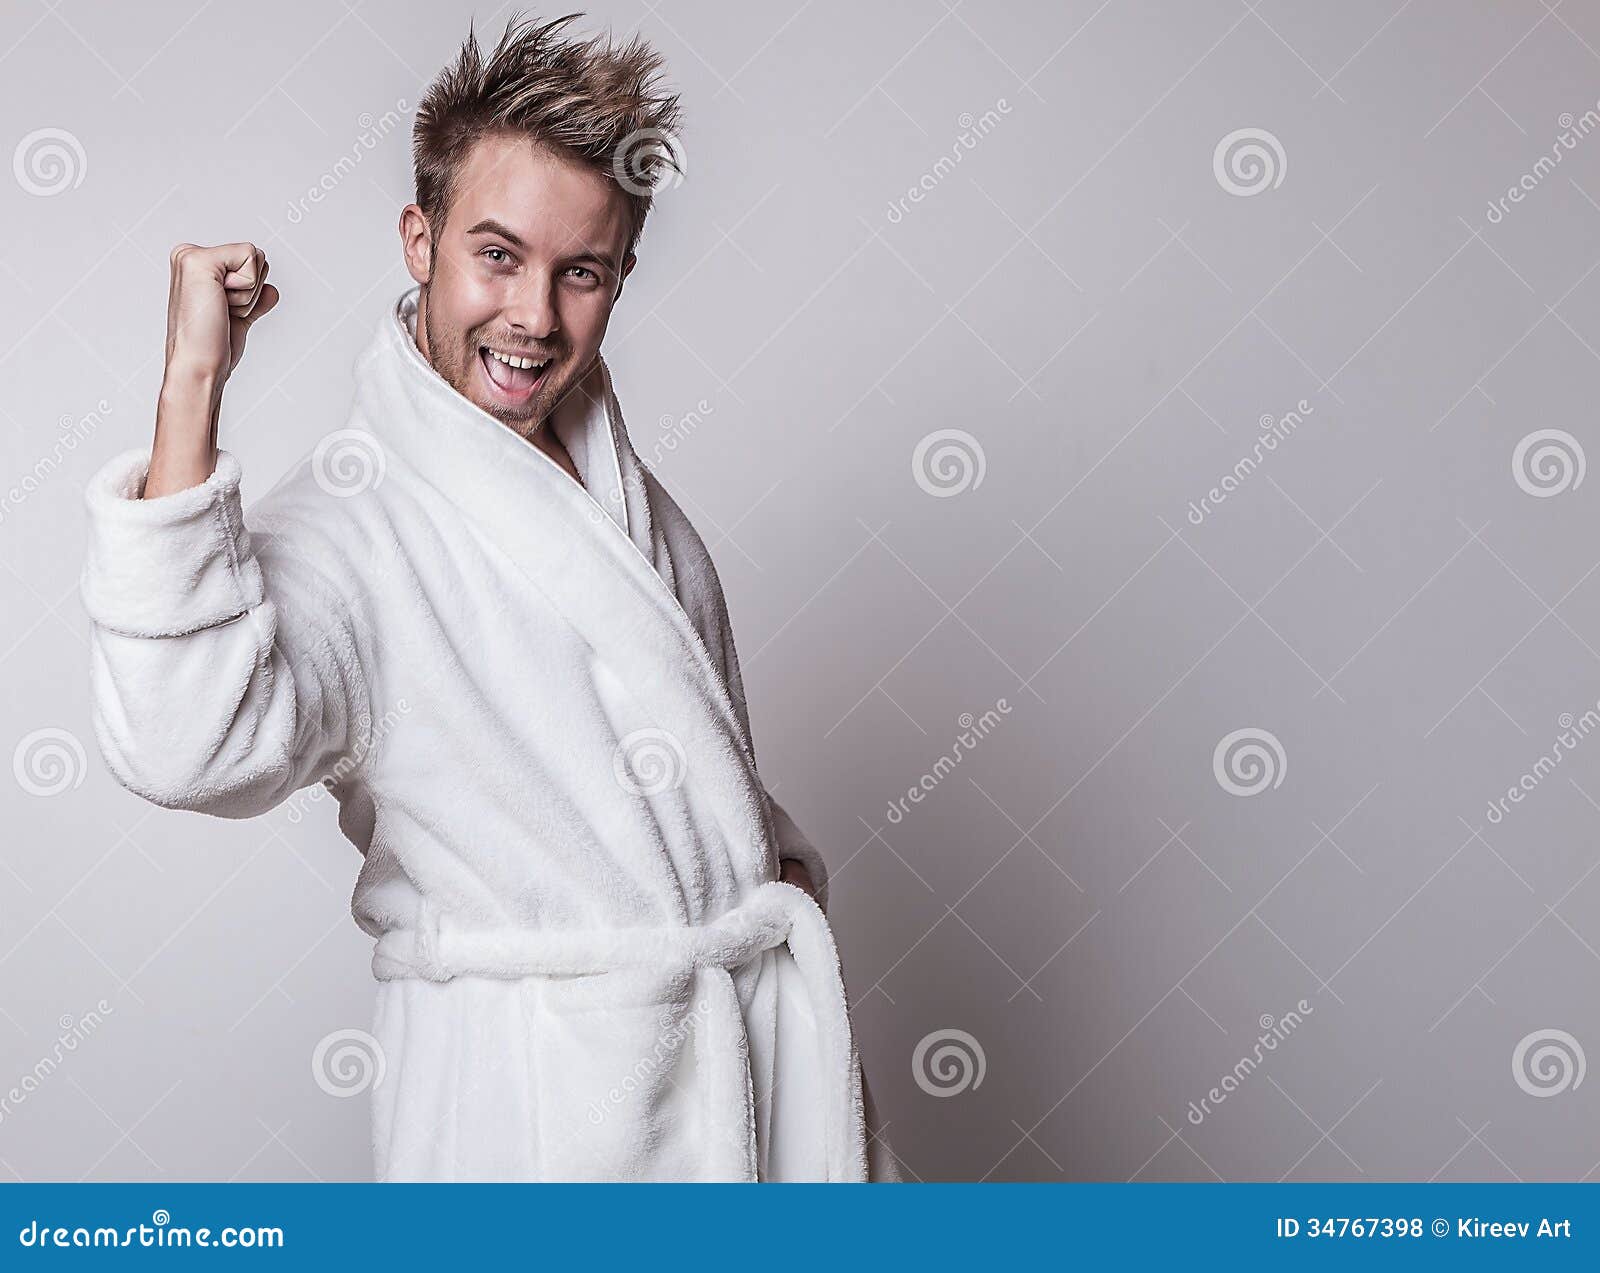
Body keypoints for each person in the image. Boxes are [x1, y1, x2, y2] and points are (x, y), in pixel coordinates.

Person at [79, 11, 899, 1183]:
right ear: (420, 239)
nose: (532, 316)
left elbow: (659, 776)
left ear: (621, 275)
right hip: (538, 1130)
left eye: (580, 272)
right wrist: (193, 383)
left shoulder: (632, 505)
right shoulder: (355, 523)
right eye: (496, 256)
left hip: (738, 1096)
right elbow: (183, 744)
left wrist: (764, 868)